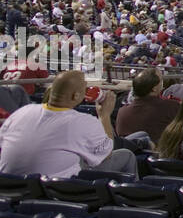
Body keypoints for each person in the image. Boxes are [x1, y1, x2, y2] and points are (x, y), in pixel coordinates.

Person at [0, 70, 139, 178]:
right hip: (53, 191)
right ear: (76, 96)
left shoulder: (22, 112)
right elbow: (107, 154)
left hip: (9, 186)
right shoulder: (83, 122)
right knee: (126, 155)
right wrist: (105, 116)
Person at [114, 68, 180, 143]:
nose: (163, 82)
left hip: (130, 152)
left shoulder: (122, 111)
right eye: (161, 80)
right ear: (154, 88)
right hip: (160, 152)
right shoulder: (172, 107)